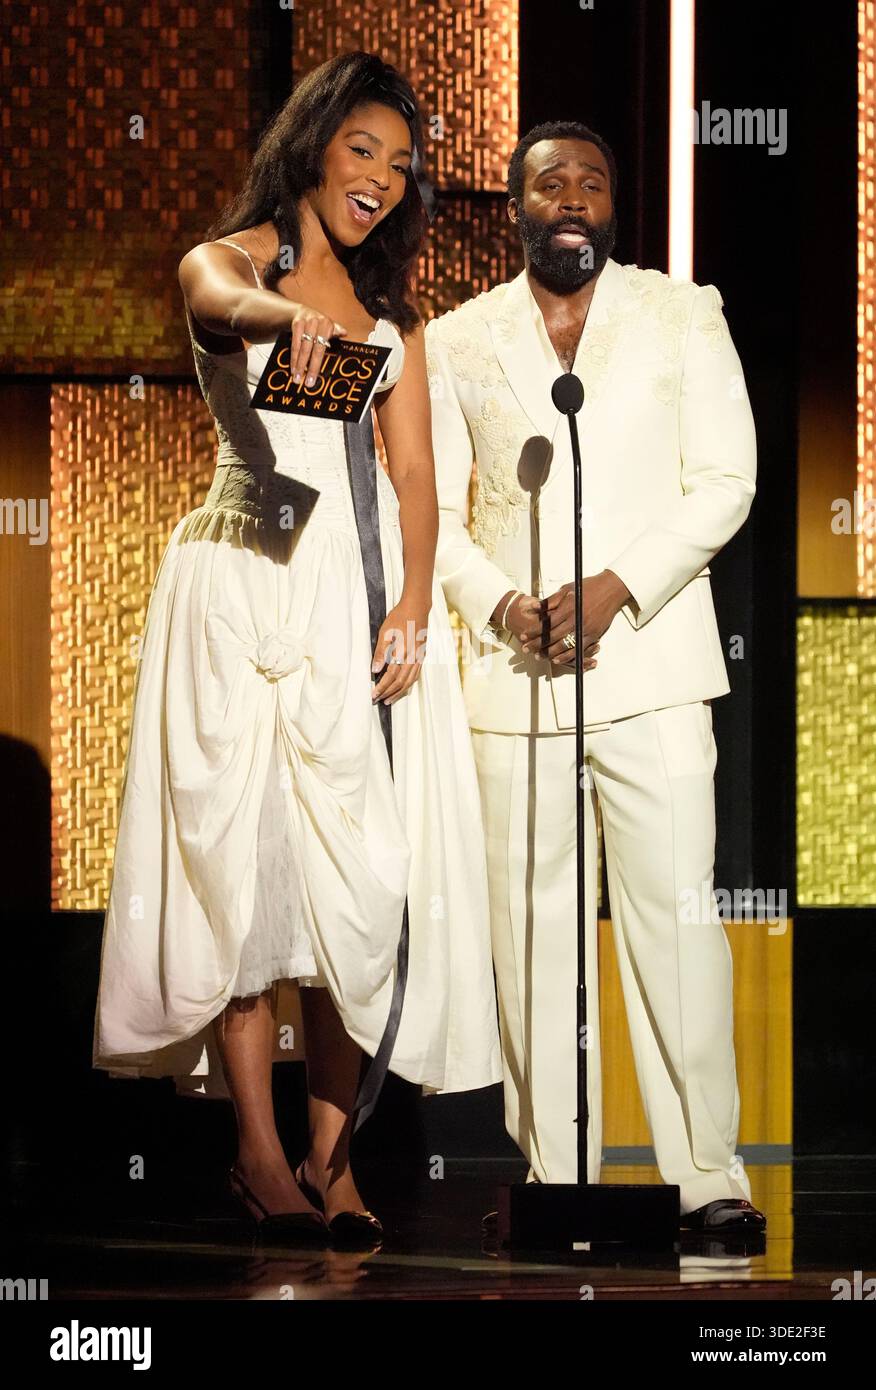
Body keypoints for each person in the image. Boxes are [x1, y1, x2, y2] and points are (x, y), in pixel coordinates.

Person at [92, 51, 501, 1245]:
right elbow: (216, 302)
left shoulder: (393, 324)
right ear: (316, 142)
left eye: (400, 165)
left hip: (348, 600)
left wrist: (416, 600)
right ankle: (260, 1156)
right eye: (361, 149)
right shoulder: (233, 262)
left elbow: (414, 474)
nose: (378, 178)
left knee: (353, 892)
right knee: (244, 873)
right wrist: (289, 317)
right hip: (239, 580)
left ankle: (336, 1159)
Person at [425, 120, 766, 1234]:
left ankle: (711, 1177)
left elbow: (726, 479)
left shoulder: (681, 311)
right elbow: (432, 512)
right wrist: (497, 602)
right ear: (515, 205)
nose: (570, 196)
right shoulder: (459, 339)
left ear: (613, 205)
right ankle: (555, 1173)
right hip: (516, 687)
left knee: (674, 918)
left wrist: (620, 584)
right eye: (547, 182)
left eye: (591, 180)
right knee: (532, 935)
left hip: (654, 670)